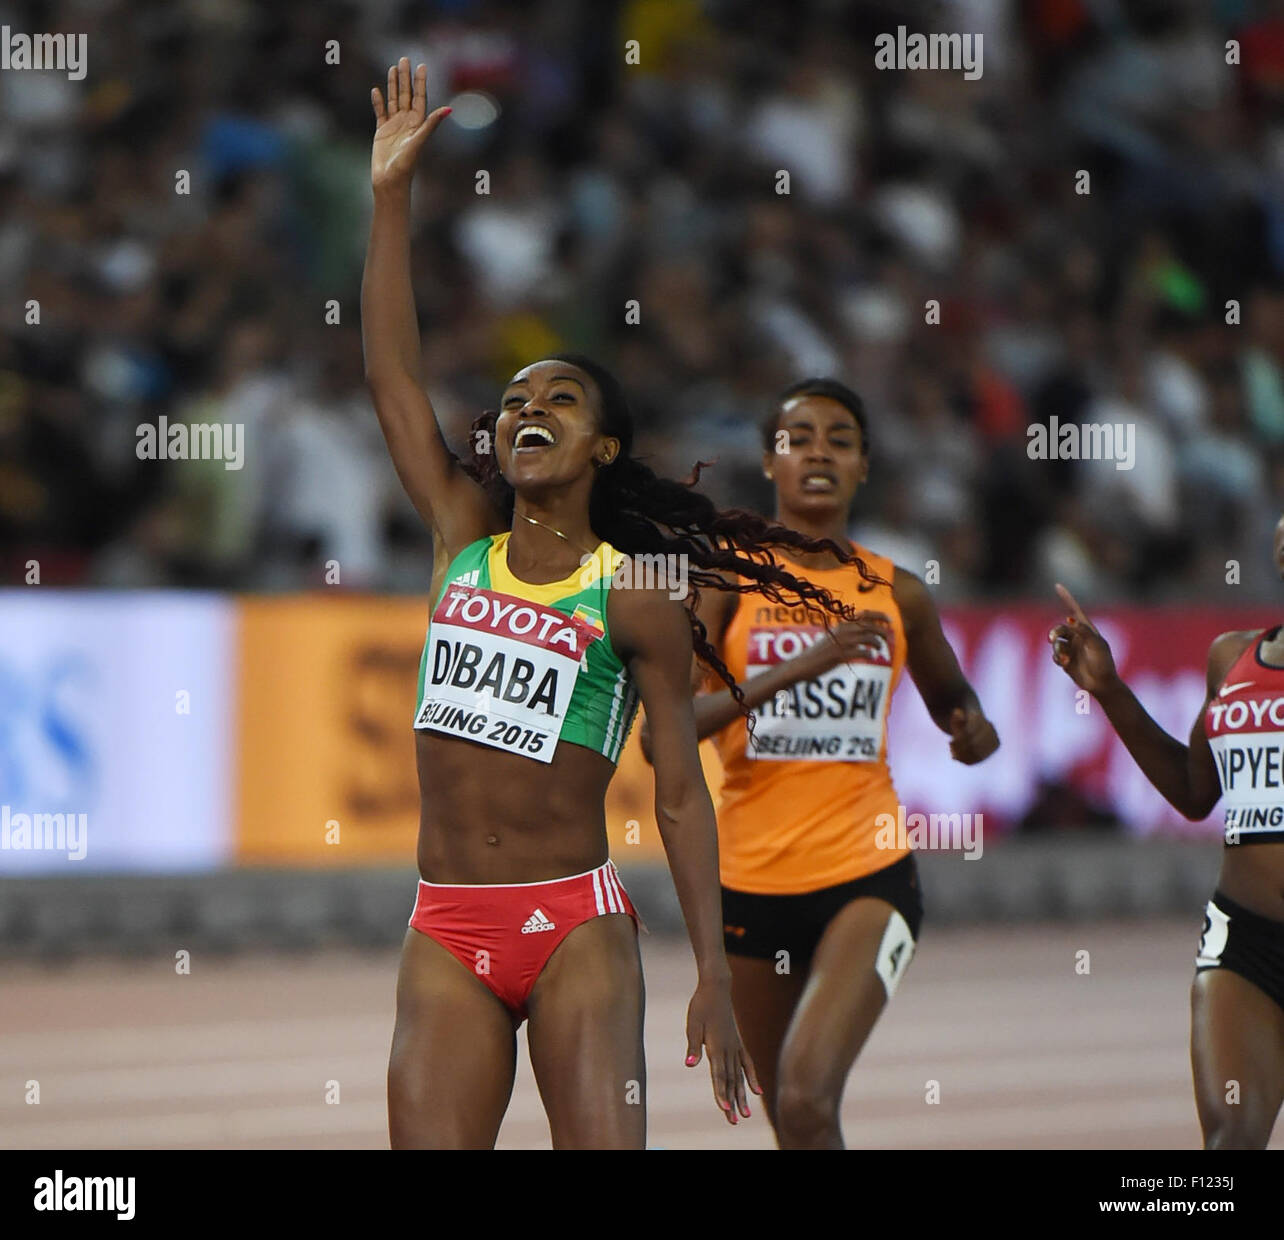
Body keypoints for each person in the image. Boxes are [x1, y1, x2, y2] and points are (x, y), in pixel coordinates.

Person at [365, 60, 879, 1149]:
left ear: (601, 446)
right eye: (512, 401)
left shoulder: (634, 590)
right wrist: (391, 198)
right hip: (444, 924)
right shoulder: (463, 537)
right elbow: (393, 380)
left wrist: (711, 974)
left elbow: (680, 797)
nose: (525, 409)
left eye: (558, 397)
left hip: (573, 931)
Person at [646, 379, 999, 1148]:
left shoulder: (897, 591)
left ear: (864, 467)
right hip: (748, 887)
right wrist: (790, 671)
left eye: (839, 440)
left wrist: (973, 730)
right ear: (771, 461)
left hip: (866, 875)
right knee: (795, 1127)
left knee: (806, 1096)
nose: (818, 453)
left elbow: (959, 708)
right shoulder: (727, 580)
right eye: (798, 437)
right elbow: (662, 733)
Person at [1049, 513, 1284, 1149]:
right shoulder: (1232, 658)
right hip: (1246, 941)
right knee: (1229, 1143)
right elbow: (1192, 792)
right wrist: (1109, 690)